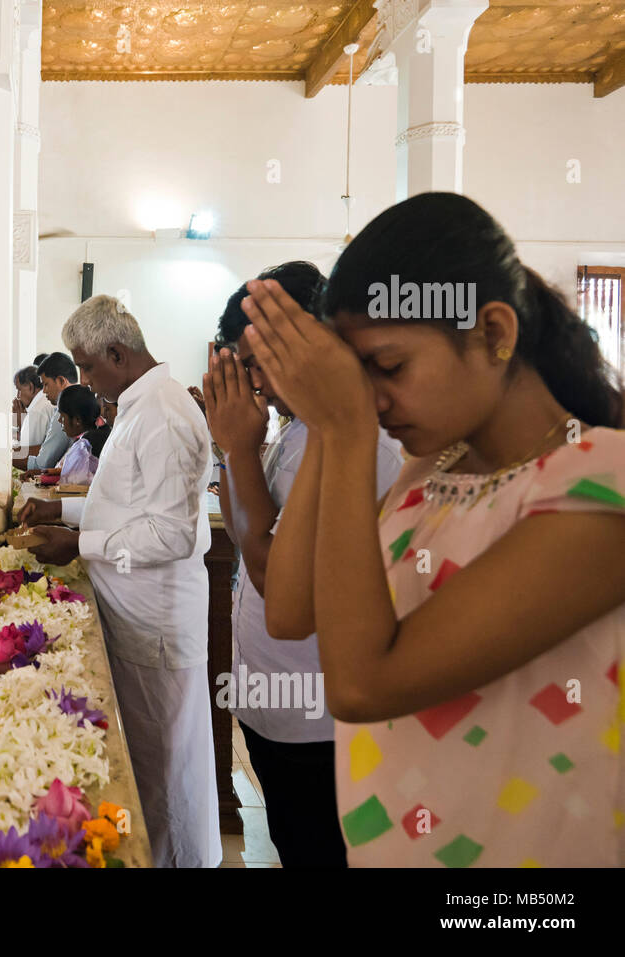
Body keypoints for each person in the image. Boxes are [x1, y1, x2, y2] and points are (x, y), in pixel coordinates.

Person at [252, 192, 624, 867]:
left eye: (389, 367)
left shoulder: (600, 482)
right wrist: (329, 421)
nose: (376, 399)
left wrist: (344, 425)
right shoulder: (435, 467)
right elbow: (290, 608)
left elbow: (363, 684)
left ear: (494, 334)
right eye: (359, 375)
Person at [203, 261, 403, 868]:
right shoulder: (297, 434)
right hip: (281, 705)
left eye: (259, 363)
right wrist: (233, 450)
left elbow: (275, 579)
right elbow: (248, 536)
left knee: (323, 849)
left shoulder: (364, 443)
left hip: (323, 720)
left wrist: (238, 447)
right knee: (298, 842)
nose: (256, 384)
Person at [18, 295, 220, 868]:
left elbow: (171, 534)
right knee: (150, 761)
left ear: (116, 351)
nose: (81, 379)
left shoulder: (166, 413)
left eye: (85, 366)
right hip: (135, 612)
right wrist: (63, 514)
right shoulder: (137, 404)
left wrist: (78, 544)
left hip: (156, 620)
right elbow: (126, 507)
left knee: (165, 768)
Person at [14, 352, 76, 470]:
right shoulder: (77, 400)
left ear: (61, 381)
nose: (44, 391)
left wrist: (3, 456)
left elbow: (42, 463)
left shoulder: (64, 409)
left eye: (46, 385)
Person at [53, 383, 109, 487]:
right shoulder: (104, 433)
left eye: (62, 416)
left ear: (77, 420)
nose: (59, 420)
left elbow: (69, 485)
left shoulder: (83, 446)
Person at [13, 365, 51, 452]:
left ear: (30, 387)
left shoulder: (37, 410)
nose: (18, 396)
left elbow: (25, 452)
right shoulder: (45, 400)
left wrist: (20, 421)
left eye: (19, 390)